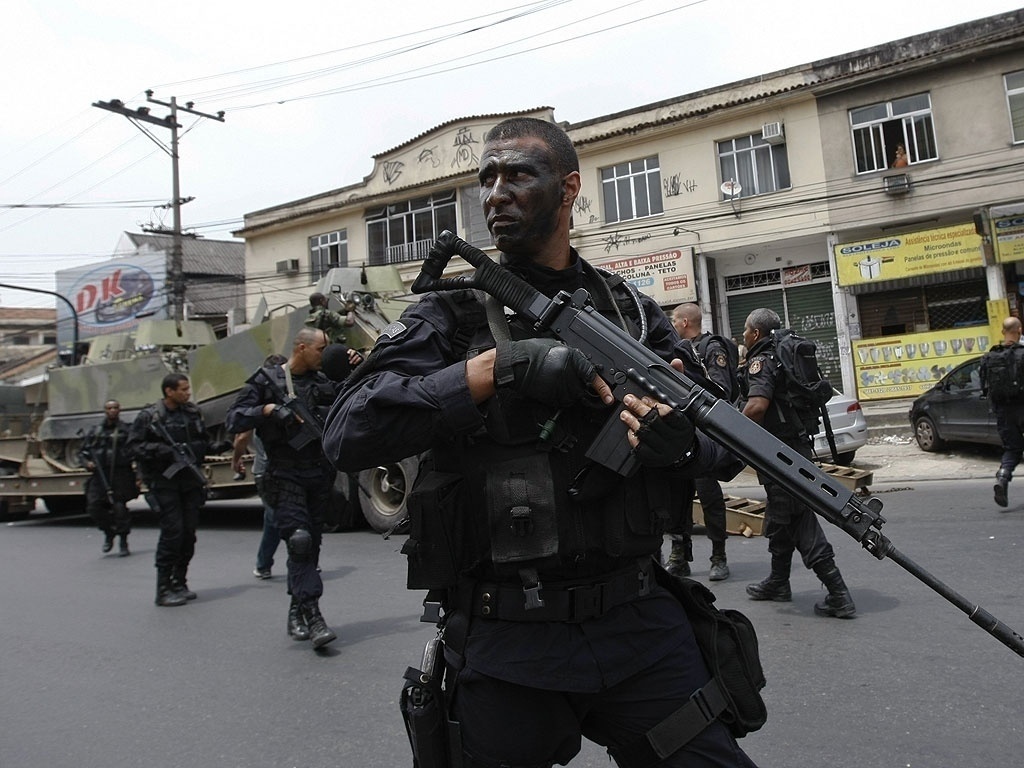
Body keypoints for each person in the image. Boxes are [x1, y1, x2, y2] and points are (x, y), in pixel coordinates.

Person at [323, 117, 757, 767]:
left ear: (568, 187)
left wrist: (680, 445)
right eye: (486, 178)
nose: (495, 192)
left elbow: (722, 441)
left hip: (637, 625)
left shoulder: (630, 313)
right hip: (508, 641)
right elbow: (346, 431)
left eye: (518, 174)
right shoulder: (451, 313)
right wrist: (493, 371)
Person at [226, 329, 342, 650]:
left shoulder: (322, 382)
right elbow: (233, 418)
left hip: (319, 473)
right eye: (321, 348)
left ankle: (297, 609)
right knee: (300, 541)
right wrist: (264, 412)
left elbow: (350, 401)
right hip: (284, 475)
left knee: (310, 547)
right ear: (301, 348)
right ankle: (314, 616)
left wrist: (356, 367)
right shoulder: (267, 381)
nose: (324, 353)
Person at [739, 308, 856, 619]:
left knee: (799, 522)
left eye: (746, 331)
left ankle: (838, 593)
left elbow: (757, 407)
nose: (744, 336)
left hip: (780, 455)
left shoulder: (762, 358)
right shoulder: (787, 353)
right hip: (794, 449)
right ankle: (778, 582)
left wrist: (730, 426)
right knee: (780, 519)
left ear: (755, 333)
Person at [127, 373, 224, 607]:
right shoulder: (150, 417)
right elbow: (133, 446)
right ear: (169, 391)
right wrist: (161, 451)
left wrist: (219, 446)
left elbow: (204, 441)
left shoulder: (191, 413)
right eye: (182, 389)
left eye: (187, 389)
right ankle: (163, 588)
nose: (187, 393)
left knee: (189, 533)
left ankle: (179, 581)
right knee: (173, 532)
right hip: (164, 482)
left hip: (189, 481)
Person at [666, 303, 738, 581]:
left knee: (709, 497)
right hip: (681, 434)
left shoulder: (710, 349)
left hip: (704, 437)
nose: (671, 324)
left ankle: (718, 556)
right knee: (677, 497)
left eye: (674, 319)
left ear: (685, 322)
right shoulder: (675, 348)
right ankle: (679, 555)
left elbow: (721, 391)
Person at [78, 400, 138, 556]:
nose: (112, 411)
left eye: (115, 408)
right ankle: (109, 532)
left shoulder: (126, 430)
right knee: (94, 507)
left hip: (120, 474)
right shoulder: (95, 431)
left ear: (120, 410)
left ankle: (123, 541)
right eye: (109, 408)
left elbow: (136, 451)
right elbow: (82, 453)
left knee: (120, 509)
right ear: (105, 411)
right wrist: (87, 463)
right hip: (100, 474)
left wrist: (139, 475)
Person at [980, 316, 1024, 508]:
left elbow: (984, 387)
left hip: (1003, 412)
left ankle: (1003, 477)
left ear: (1002, 332)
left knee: (1012, 449)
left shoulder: (991, 357)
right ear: (1020, 331)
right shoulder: (1023, 353)